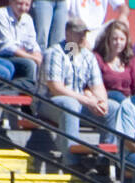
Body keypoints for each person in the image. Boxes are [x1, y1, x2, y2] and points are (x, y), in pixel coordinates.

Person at [39, 16, 108, 159]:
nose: (83, 37)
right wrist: (87, 100)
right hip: (48, 103)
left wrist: (102, 102)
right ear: (68, 33)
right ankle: (72, 161)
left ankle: (105, 160)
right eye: (79, 33)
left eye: (85, 33)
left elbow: (98, 86)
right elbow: (56, 89)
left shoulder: (89, 56)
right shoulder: (54, 53)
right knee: (70, 104)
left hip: (78, 103)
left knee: (112, 108)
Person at [0, 0, 43, 90]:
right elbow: (7, 47)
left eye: (27, 5)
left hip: (9, 56)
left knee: (36, 64)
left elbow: (32, 44)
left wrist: (37, 55)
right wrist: (33, 58)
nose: (23, 8)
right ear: (11, 2)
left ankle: (22, 94)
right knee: (28, 64)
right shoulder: (0, 15)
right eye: (20, 3)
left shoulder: (27, 19)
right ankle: (21, 94)